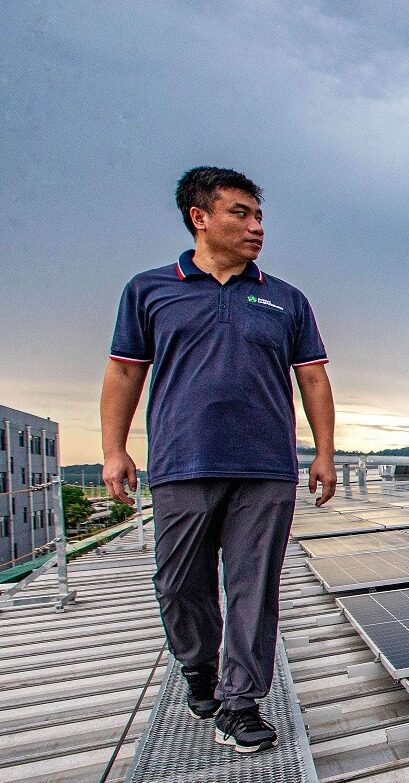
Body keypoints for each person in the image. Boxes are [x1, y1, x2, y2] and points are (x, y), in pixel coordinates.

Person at [100, 167, 337, 753]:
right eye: (241, 214)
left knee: (254, 586)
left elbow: (313, 378)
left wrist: (325, 452)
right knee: (181, 582)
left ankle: (240, 701)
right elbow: (125, 371)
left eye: (259, 217)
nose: (256, 227)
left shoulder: (285, 299)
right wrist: (113, 449)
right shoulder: (151, 289)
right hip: (183, 462)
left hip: (266, 468)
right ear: (199, 217)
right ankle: (199, 667)